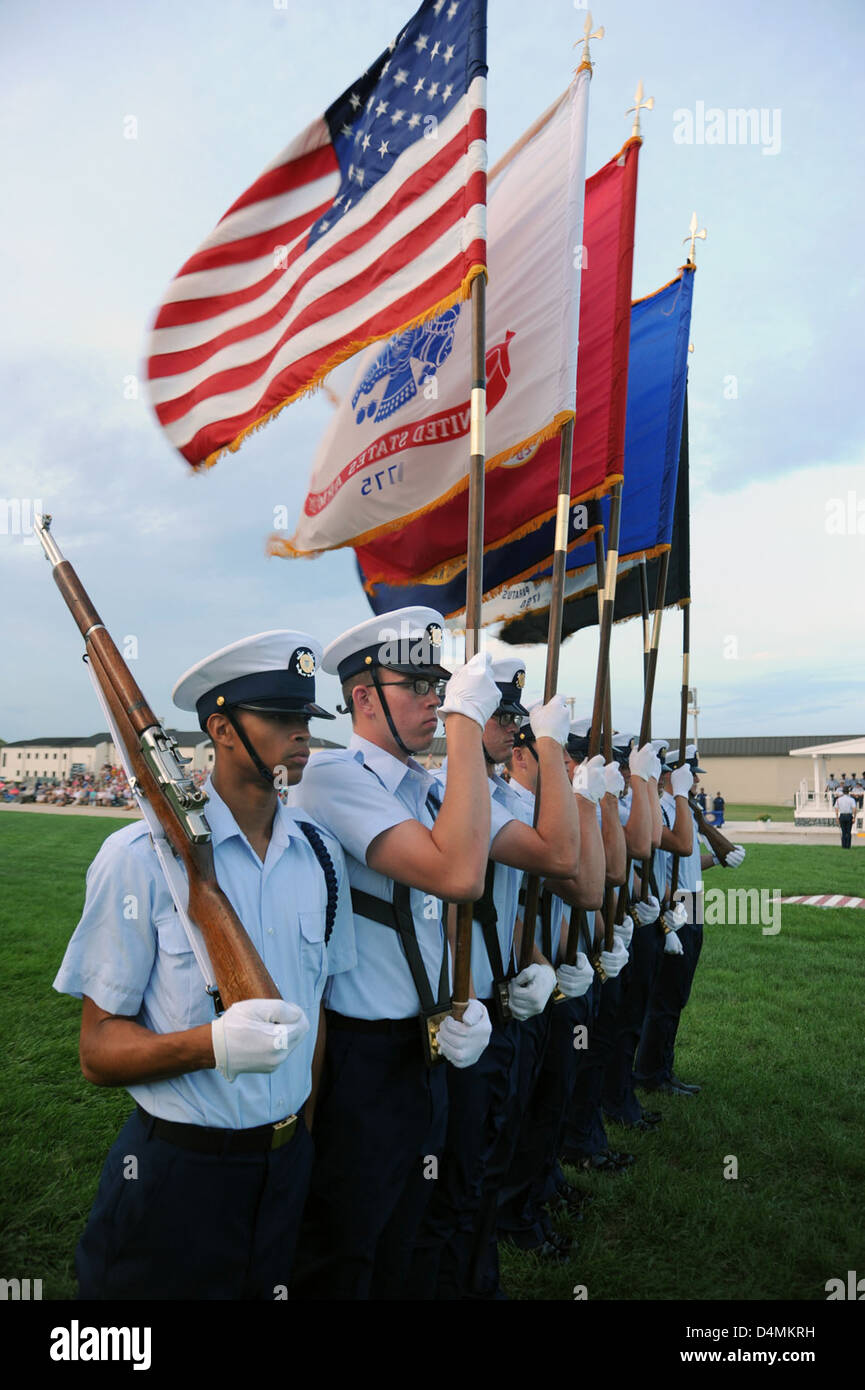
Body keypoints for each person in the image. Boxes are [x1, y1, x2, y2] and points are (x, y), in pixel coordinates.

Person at [54, 630, 355, 1300]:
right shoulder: (140, 858)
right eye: (281, 717)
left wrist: (298, 1136)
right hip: (179, 1173)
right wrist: (211, 1045)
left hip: (285, 1166)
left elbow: (318, 1011)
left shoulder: (321, 856)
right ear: (220, 728)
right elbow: (97, 1052)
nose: (301, 733)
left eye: (305, 718)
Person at [286, 608, 500, 1300]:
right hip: (362, 1056)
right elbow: (459, 874)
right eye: (416, 684)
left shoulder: (423, 787)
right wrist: (467, 729)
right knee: (346, 1243)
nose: (435, 699)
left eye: (441, 685)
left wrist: (458, 1006)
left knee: (407, 1229)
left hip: (424, 1045)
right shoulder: (331, 776)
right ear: (361, 697)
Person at [410, 663, 595, 1299]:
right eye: (503, 715)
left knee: (492, 1158)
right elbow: (560, 859)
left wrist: (538, 959)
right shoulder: (463, 800)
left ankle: (480, 1278)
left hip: (508, 1004)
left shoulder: (506, 799)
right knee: (458, 1181)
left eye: (521, 719)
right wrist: (553, 751)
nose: (514, 726)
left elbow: (533, 901)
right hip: (466, 1014)